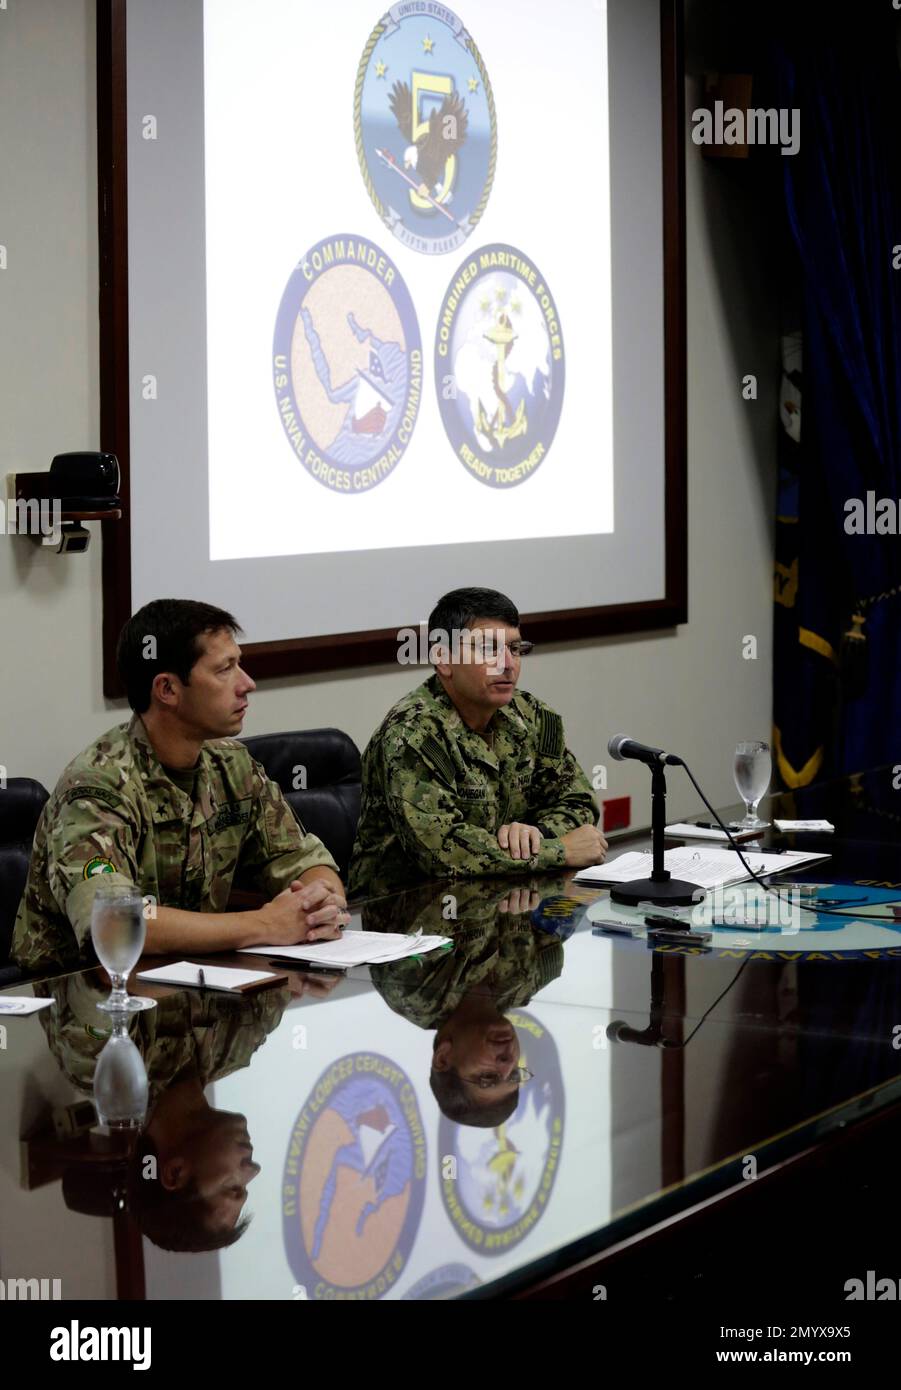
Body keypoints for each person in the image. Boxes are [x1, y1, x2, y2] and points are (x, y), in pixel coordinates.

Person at [13, 599, 348, 973]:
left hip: (194, 994)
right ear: (167, 689)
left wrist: (320, 902)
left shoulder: (232, 766)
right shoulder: (97, 787)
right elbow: (114, 922)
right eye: (225, 670)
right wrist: (265, 924)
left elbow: (303, 860)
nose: (247, 684)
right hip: (86, 1003)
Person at [349, 586, 607, 897]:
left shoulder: (532, 715)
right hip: (412, 917)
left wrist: (535, 836)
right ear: (443, 660)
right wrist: (557, 850)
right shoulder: (412, 736)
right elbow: (442, 851)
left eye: (515, 648)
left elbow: (577, 800)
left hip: (508, 904)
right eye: (488, 649)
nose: (508, 664)